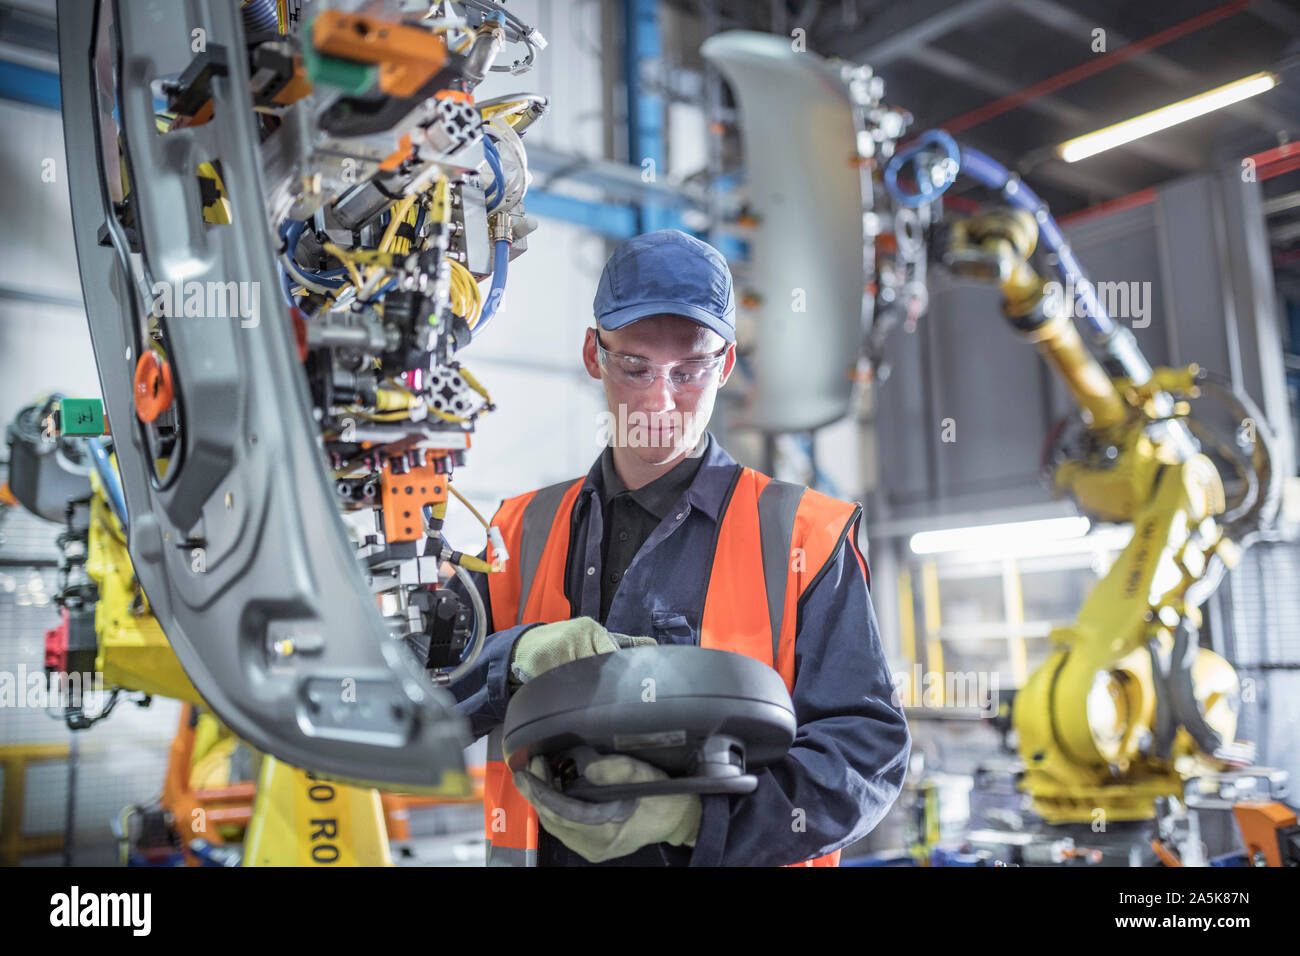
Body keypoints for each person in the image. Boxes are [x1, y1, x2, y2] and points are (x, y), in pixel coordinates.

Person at [442, 228, 910, 866]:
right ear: (592, 354)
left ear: (725, 364)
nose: (659, 401)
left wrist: (699, 819)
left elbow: (866, 754)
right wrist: (513, 656)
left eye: (689, 372)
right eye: (634, 366)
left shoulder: (806, 537)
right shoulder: (519, 529)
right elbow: (424, 697)